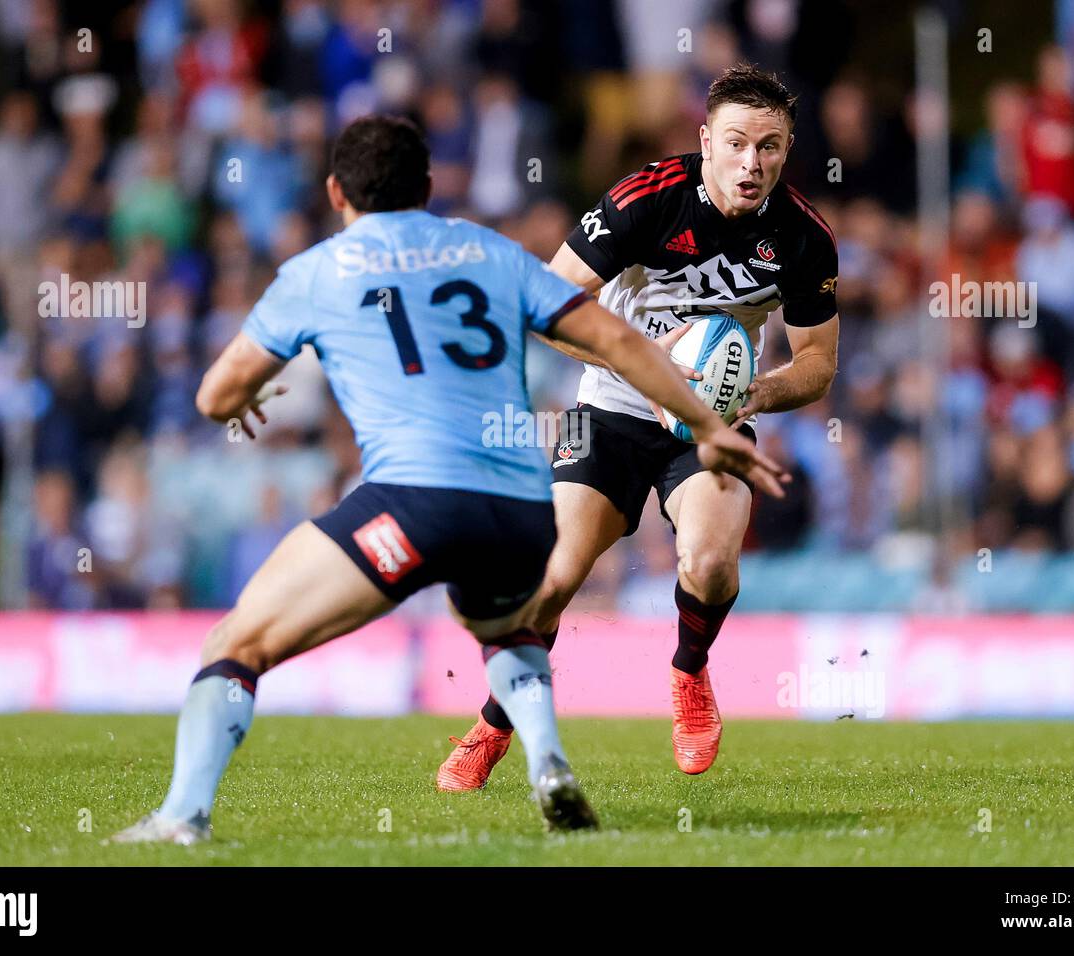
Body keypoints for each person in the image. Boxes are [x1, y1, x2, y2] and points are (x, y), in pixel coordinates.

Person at [110, 115, 788, 843]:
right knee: (509, 627)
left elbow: (214, 396)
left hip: (411, 504)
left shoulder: (316, 270)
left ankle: (182, 816)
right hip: (515, 507)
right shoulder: (491, 252)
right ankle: (549, 761)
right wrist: (711, 423)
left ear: (337, 192)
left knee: (235, 643)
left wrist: (243, 398)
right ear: (429, 188)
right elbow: (614, 336)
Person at [438, 63, 839, 790]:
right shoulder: (646, 199)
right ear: (706, 140)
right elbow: (549, 307)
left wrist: (752, 393)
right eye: (738, 143)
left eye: (772, 146)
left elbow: (817, 365)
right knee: (554, 577)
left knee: (712, 564)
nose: (753, 164)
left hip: (716, 417)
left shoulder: (804, 238)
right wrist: (646, 364)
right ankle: (495, 722)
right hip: (611, 406)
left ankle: (688, 676)